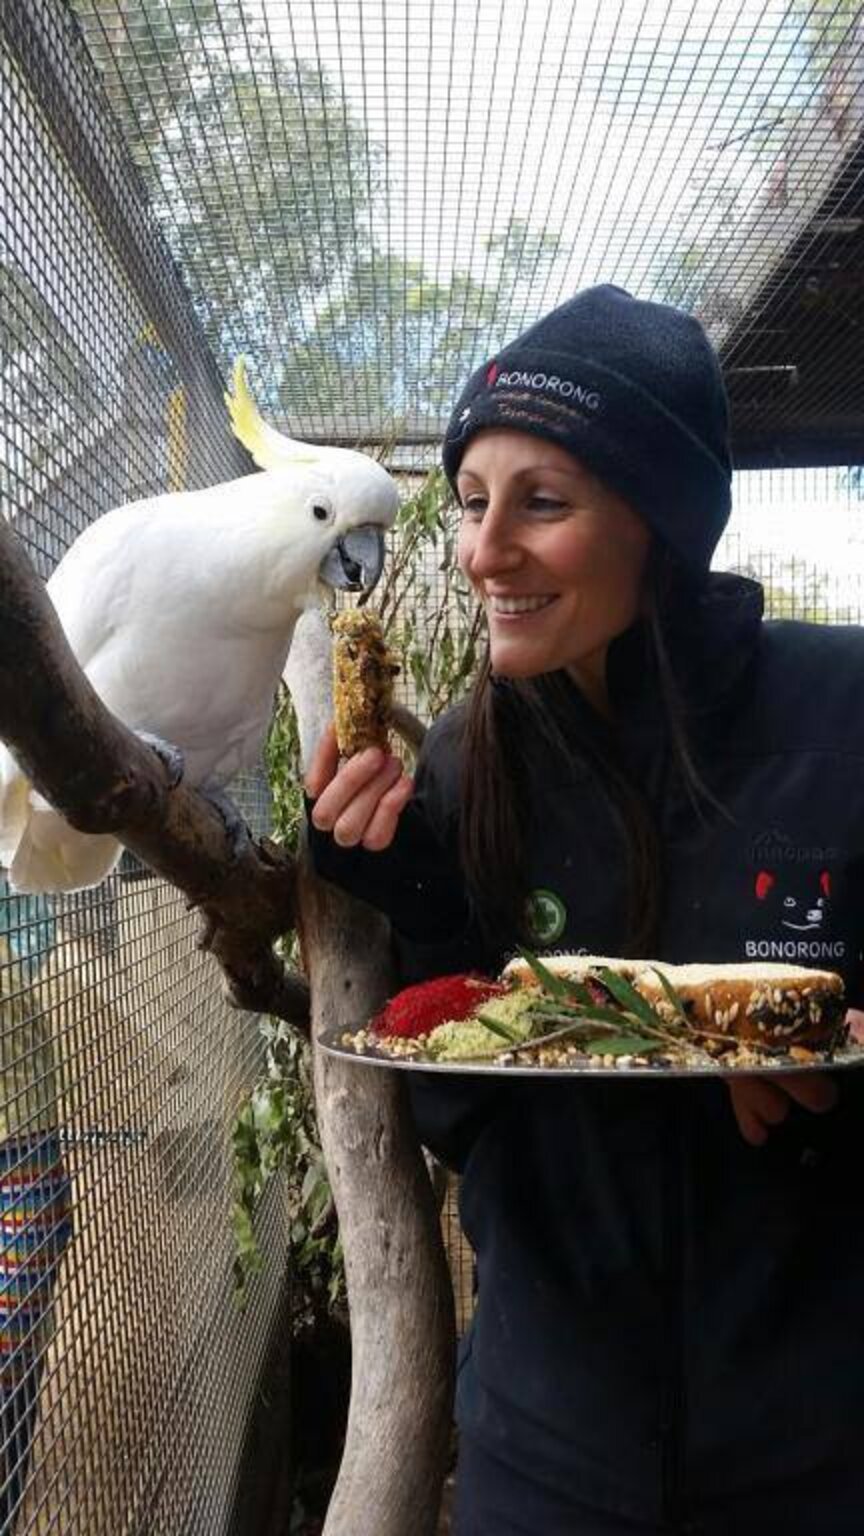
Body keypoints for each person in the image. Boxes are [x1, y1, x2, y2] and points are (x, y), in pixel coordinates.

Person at [304, 285, 864, 1536]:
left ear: (661, 521)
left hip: (819, 1444)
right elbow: (464, 1115)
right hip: (549, 1451)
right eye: (472, 501)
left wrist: (825, 1065)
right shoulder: (466, 760)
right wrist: (405, 892)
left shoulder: (840, 716)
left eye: (542, 503)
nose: (480, 550)